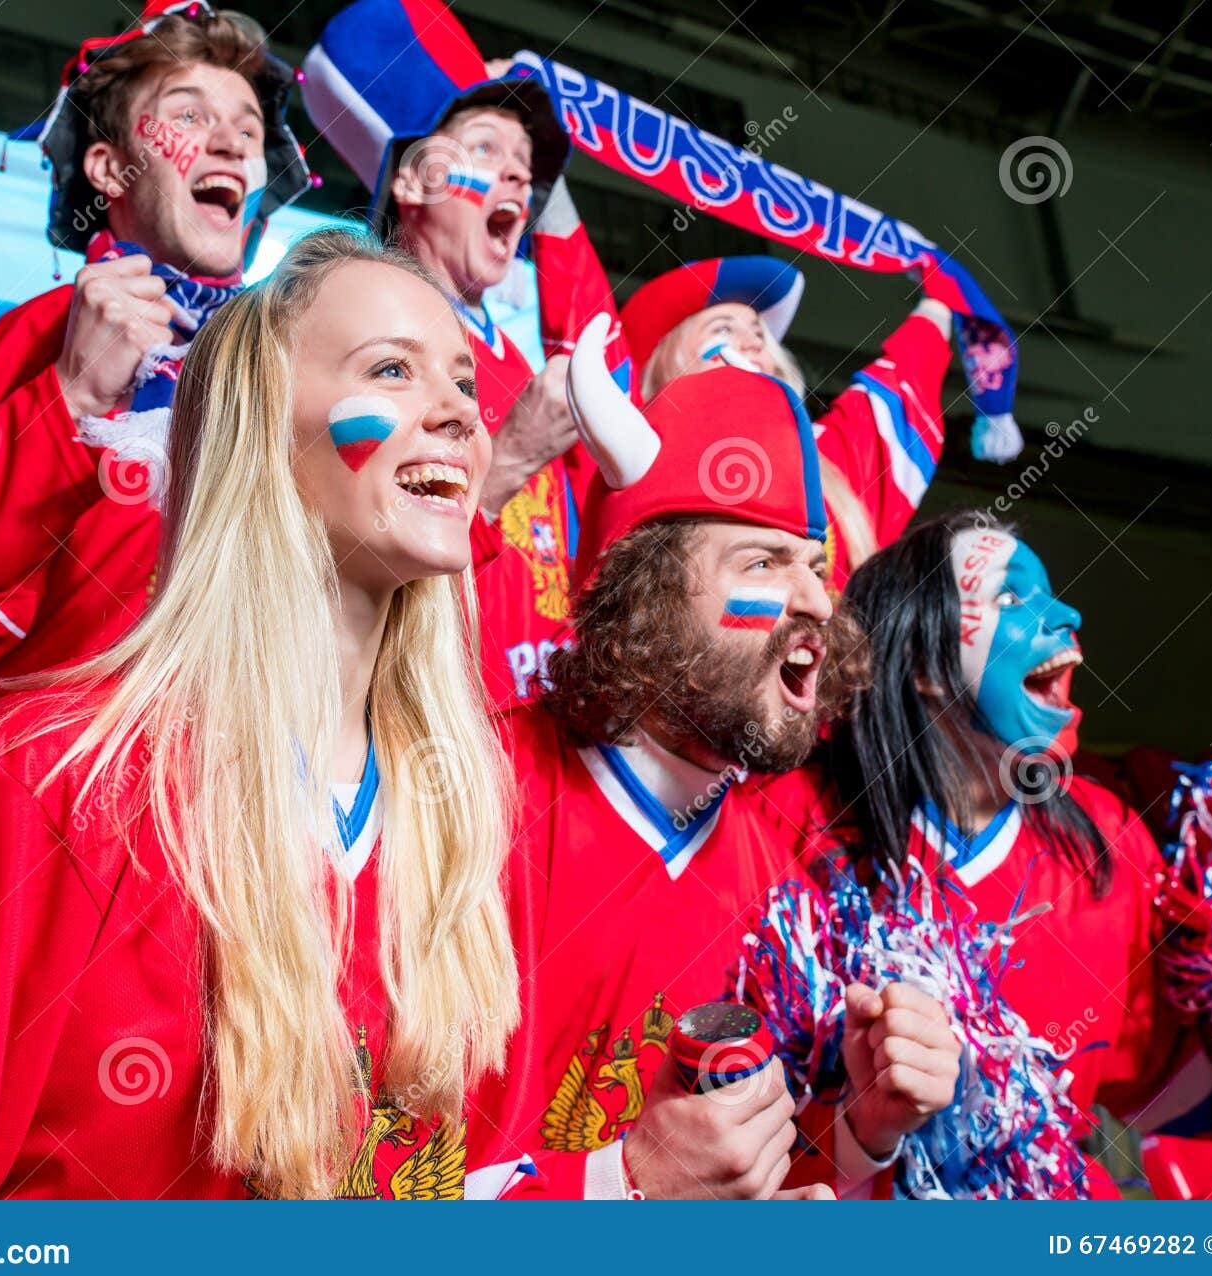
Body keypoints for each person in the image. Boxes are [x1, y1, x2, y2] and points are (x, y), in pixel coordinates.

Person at [0, 232, 529, 1200]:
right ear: (256, 426)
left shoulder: (461, 817)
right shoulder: (37, 791)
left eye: (466, 386)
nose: (460, 418)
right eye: (390, 369)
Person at [0, 2, 311, 917]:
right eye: (189, 113)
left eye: (246, 129)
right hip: (28, 877)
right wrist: (71, 402)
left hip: (226, 874)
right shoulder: (40, 340)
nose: (232, 144)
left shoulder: (284, 377)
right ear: (108, 166)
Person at [470, 317, 961, 1199]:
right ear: (649, 598)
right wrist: (621, 1187)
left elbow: (738, 1180)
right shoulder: (463, 792)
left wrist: (866, 1127)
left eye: (815, 563)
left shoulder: (779, 887)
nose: (818, 596)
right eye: (767, 560)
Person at [817, 511, 1212, 1193]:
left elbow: (1162, 1093)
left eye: (1049, 592)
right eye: (1010, 597)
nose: (1067, 613)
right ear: (922, 666)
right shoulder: (801, 827)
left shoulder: (1106, 841)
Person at [302, 0, 634, 706]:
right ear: (414, 177)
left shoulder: (501, 349)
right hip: (425, 731)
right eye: (485, 152)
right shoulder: (359, 343)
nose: (519, 179)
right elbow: (346, 567)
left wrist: (550, 192)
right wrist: (509, 458)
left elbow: (614, 380)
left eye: (527, 168)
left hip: (538, 734)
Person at [621, 256, 955, 584]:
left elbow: (900, 384)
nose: (753, 342)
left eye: (759, 334)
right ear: (665, 362)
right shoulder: (623, 466)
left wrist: (939, 299)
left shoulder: (824, 463)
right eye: (722, 328)